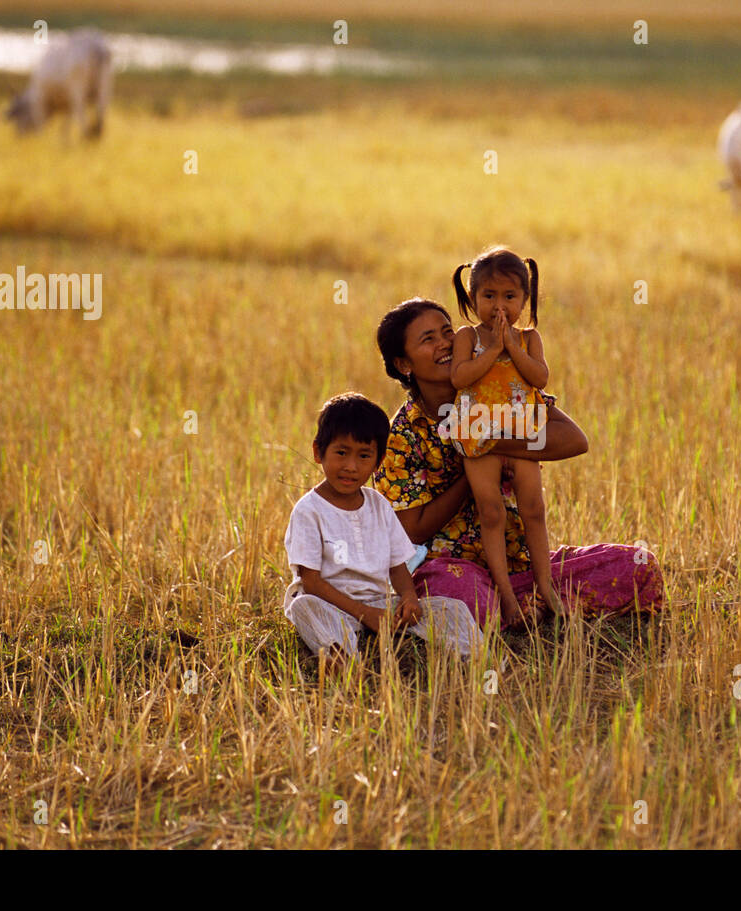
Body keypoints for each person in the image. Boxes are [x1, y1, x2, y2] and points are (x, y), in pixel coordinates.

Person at [372, 298, 665, 630]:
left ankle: (525, 600)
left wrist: (497, 444)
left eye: (447, 331)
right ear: (403, 364)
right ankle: (530, 604)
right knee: (464, 596)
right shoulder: (401, 434)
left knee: (639, 566)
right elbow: (410, 529)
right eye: (428, 339)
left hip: (522, 565)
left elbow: (573, 439)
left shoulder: (499, 389)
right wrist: (475, 468)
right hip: (453, 569)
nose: (446, 344)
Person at [283, 392, 482, 672]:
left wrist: (409, 598)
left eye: (364, 456)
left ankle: (472, 657)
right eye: (341, 453)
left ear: (378, 463)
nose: (351, 466)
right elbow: (312, 582)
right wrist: (365, 615)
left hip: (379, 602)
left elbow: (397, 566)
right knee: (305, 606)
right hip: (330, 602)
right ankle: (341, 658)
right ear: (318, 452)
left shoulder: (378, 505)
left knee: (452, 609)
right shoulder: (309, 511)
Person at [448, 246, 561, 627]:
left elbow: (540, 378)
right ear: (472, 298)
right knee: (491, 512)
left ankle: (545, 586)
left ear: (525, 300)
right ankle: (507, 596)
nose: (500, 305)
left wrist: (511, 346)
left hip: (521, 437)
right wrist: (493, 348)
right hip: (478, 438)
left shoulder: (529, 338)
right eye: (489, 296)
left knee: (534, 510)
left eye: (510, 297)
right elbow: (459, 378)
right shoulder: (467, 336)